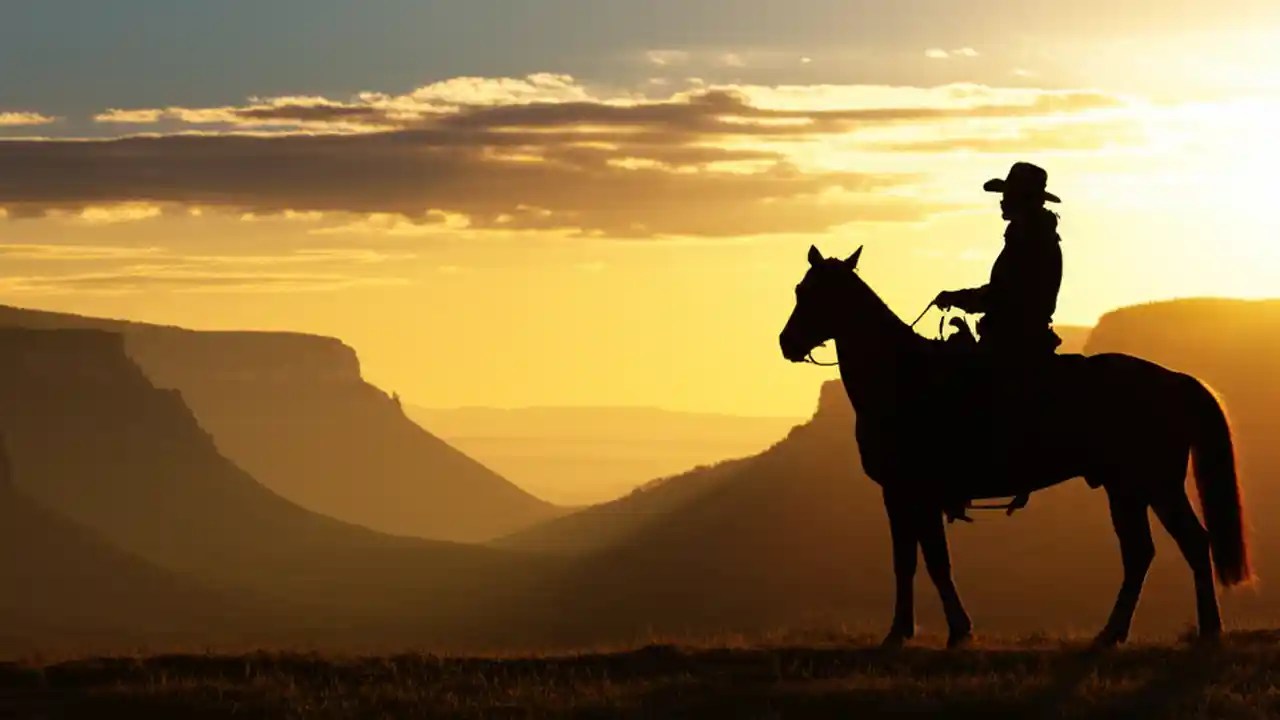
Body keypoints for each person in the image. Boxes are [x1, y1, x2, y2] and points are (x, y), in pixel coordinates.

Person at [931, 162, 1065, 521]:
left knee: (959, 387)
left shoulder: (1030, 239)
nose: (1001, 202)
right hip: (1019, 332)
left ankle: (965, 475)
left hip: (1016, 338)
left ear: (1021, 199)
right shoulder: (1032, 236)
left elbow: (1006, 296)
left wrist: (961, 298)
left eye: (1006, 195)